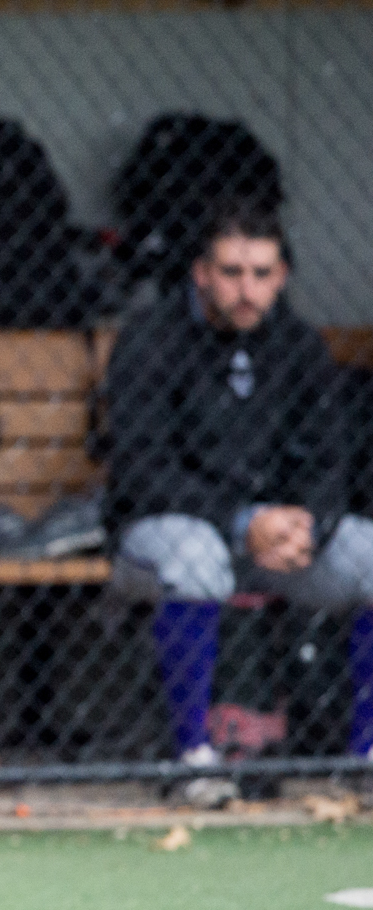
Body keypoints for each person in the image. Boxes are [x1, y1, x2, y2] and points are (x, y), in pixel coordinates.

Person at [104, 201, 373, 804]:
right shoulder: (151, 341)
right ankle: (193, 760)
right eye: (231, 272)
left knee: (371, 555)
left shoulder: (298, 347)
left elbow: (333, 461)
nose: (247, 290)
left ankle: (367, 756)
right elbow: (142, 472)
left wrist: (311, 524)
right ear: (201, 273)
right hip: (164, 537)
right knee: (195, 558)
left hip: (279, 546)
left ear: (281, 276)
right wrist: (241, 521)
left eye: (261, 273)